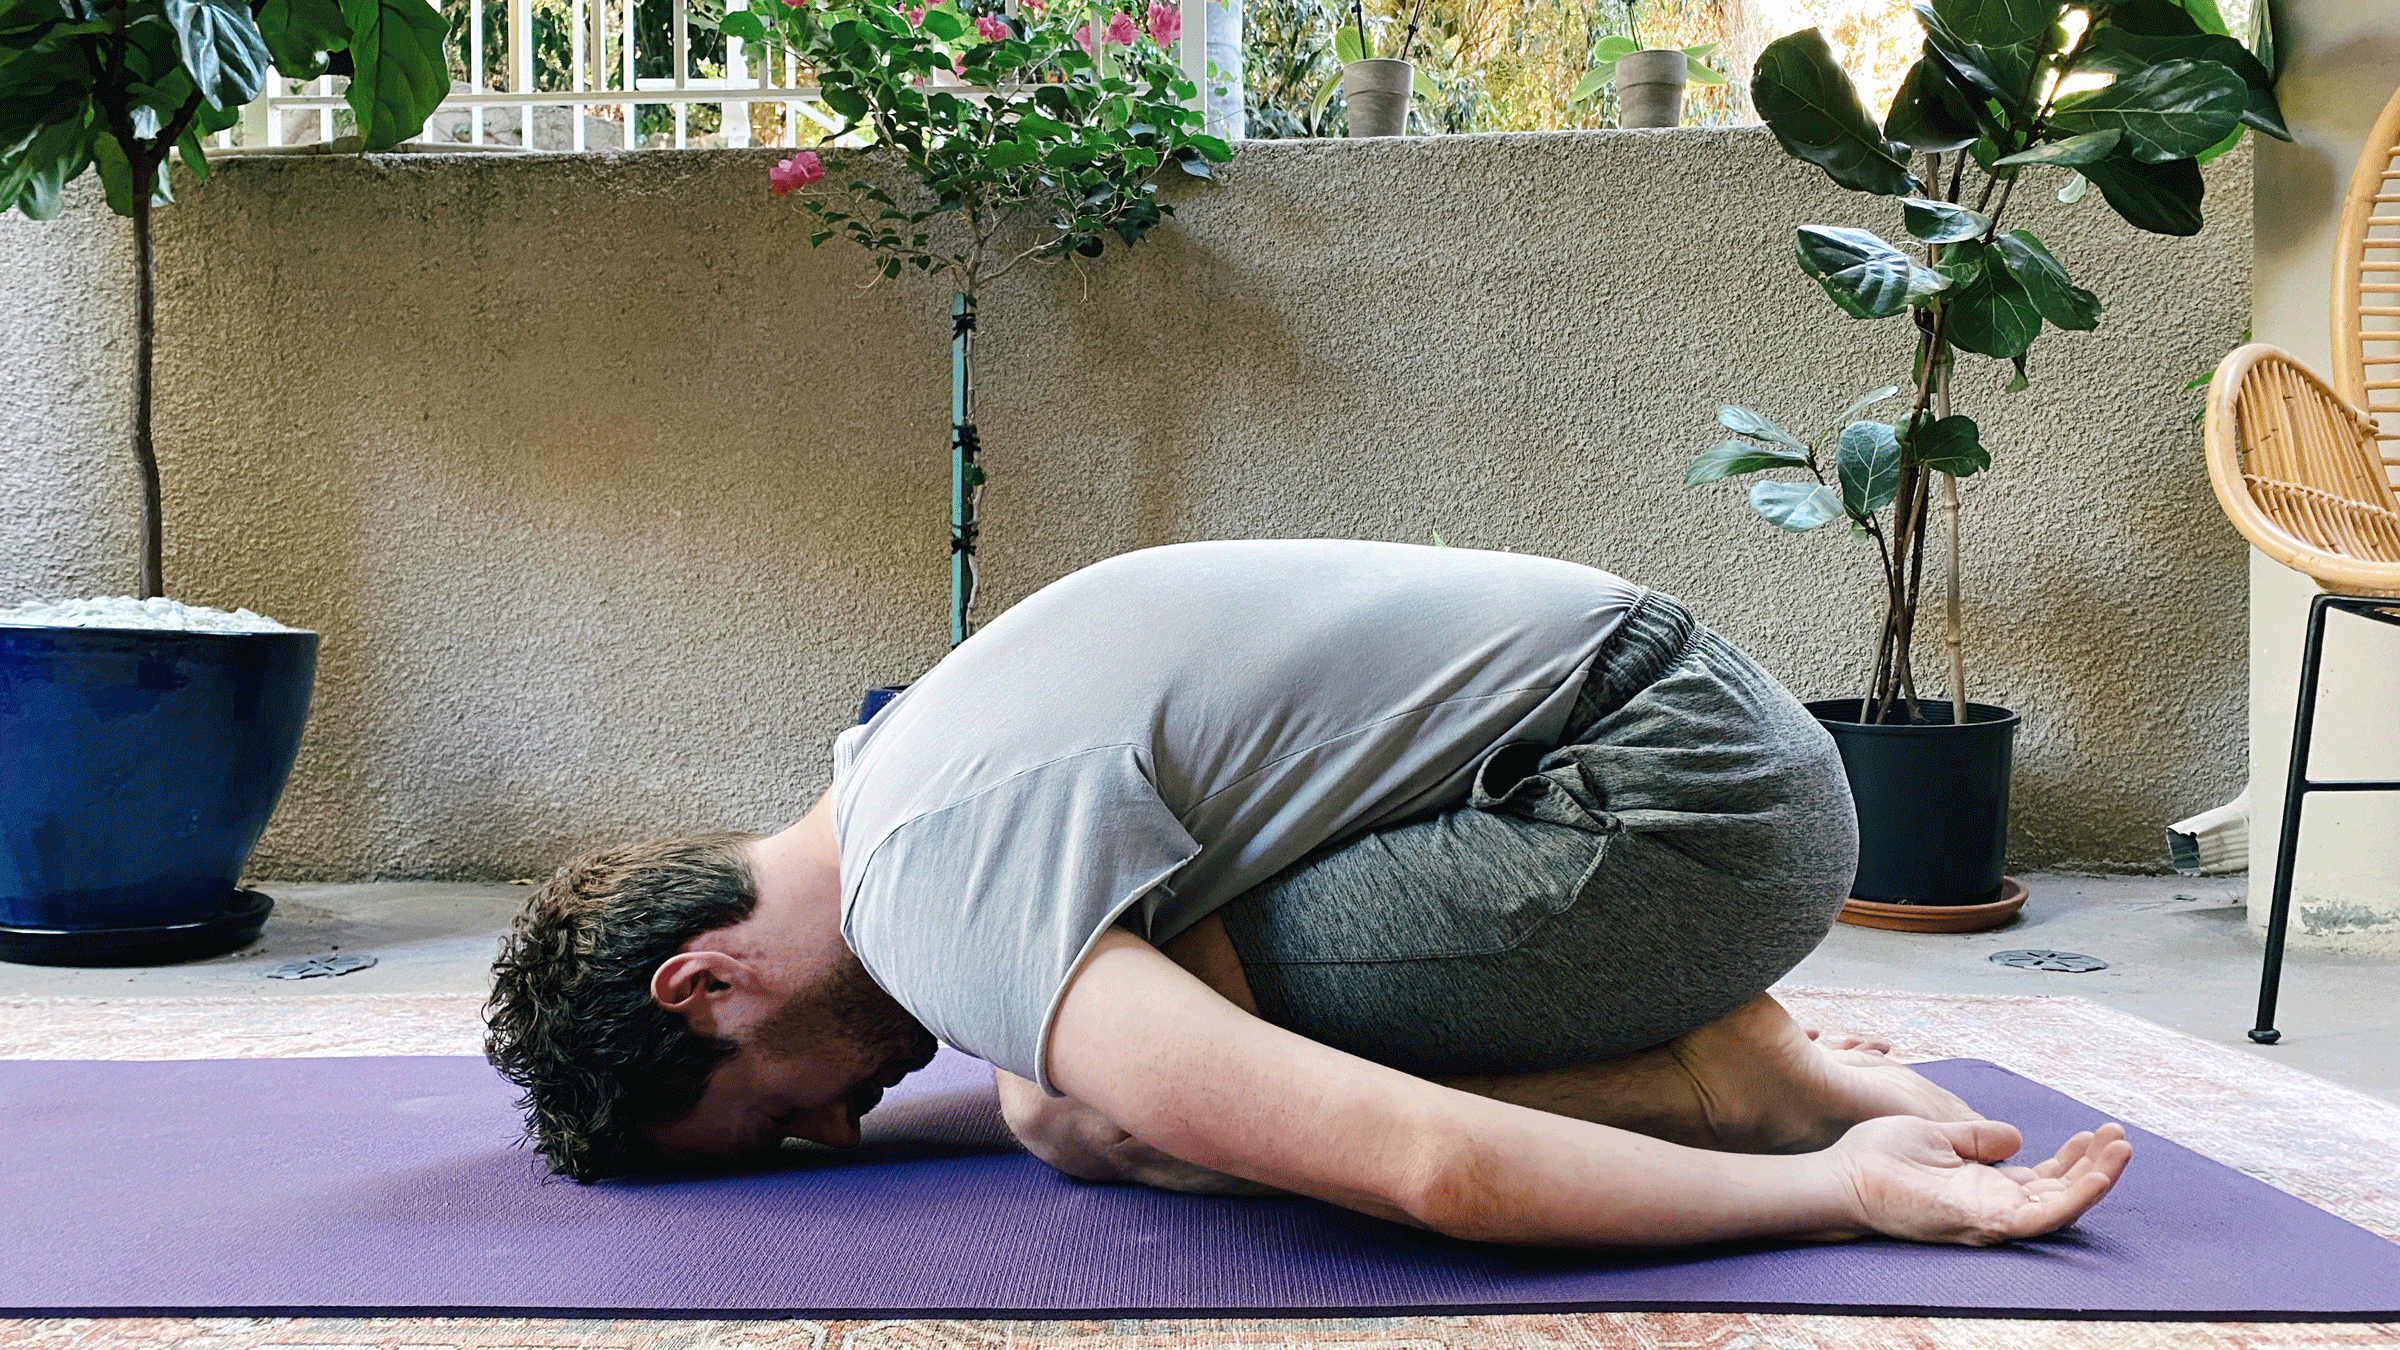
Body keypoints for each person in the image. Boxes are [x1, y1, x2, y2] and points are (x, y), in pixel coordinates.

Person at [485, 539, 2129, 1249]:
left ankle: (1746, 1093)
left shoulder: (930, 889)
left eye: (778, 1120)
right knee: (1067, 1067)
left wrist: (1833, 1194)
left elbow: (1430, 1172)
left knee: (1091, 1113)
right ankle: (1731, 1052)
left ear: (701, 982)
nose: (842, 1131)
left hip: (1669, 810)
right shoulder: (888, 759)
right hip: (1687, 730)